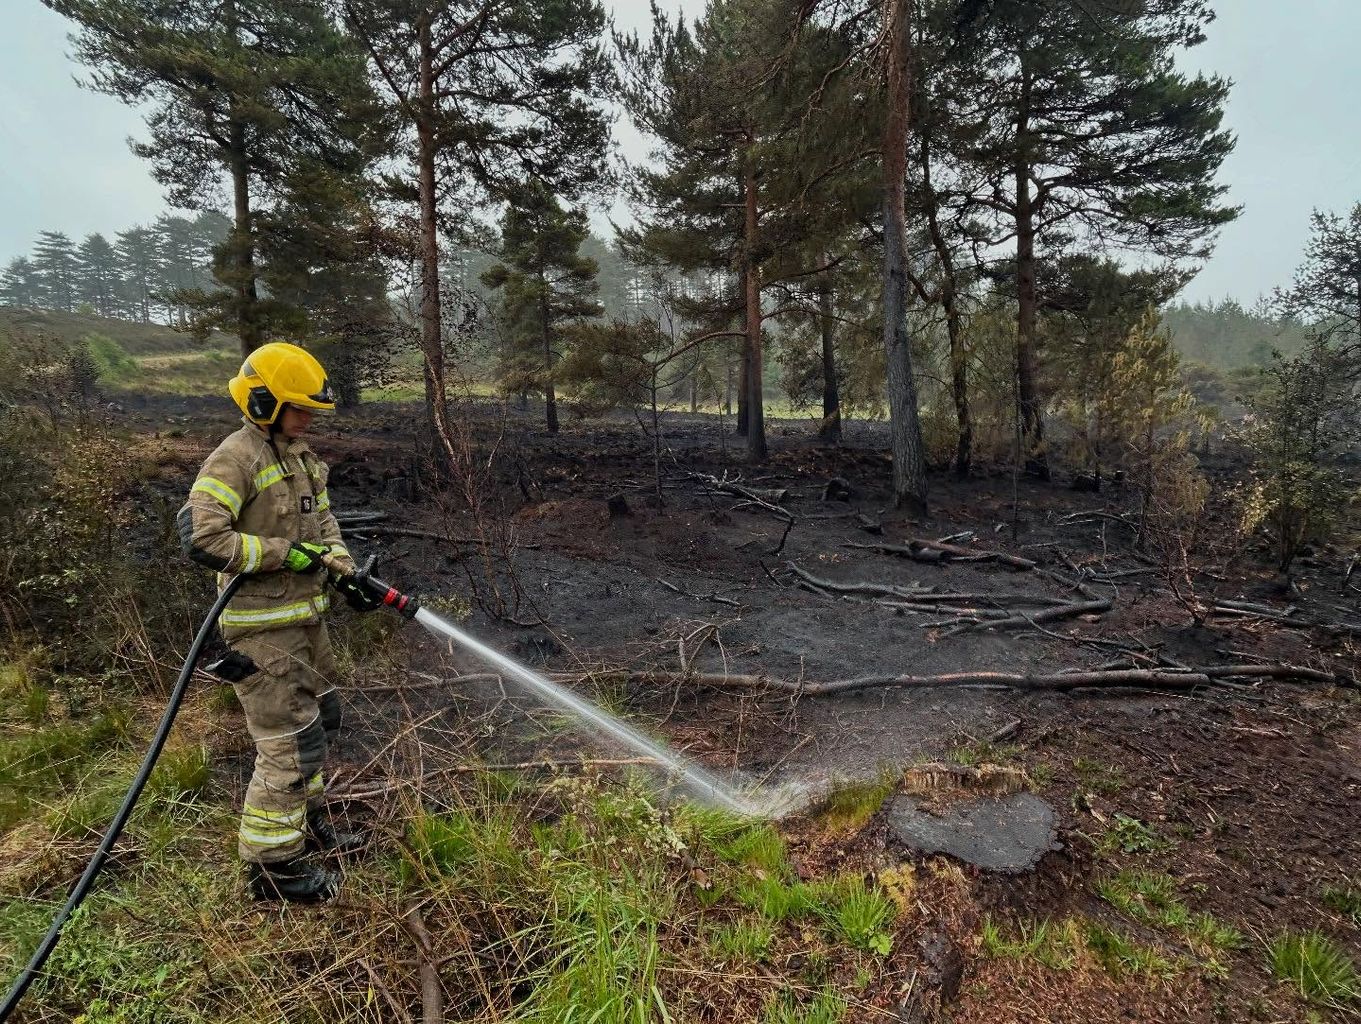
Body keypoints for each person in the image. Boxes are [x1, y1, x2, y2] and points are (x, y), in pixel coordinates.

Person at [177, 342, 380, 901]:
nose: (308, 417)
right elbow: (202, 536)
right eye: (298, 408)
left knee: (317, 726)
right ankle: (273, 870)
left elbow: (325, 525)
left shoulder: (298, 455)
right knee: (287, 744)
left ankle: (306, 825)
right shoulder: (235, 458)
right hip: (262, 630)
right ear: (263, 401)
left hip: (306, 624)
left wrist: (343, 571)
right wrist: (277, 553)